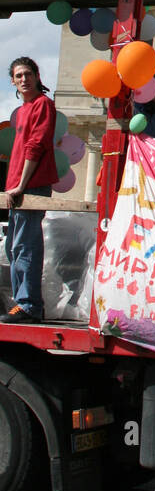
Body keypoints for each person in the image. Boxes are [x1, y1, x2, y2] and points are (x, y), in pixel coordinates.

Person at [1, 57, 57, 324]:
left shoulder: (43, 105)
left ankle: (30, 305)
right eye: (18, 76)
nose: (24, 79)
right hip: (17, 187)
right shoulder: (23, 110)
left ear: (37, 76)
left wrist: (21, 185)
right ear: (13, 81)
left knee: (25, 244)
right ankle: (23, 302)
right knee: (13, 246)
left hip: (30, 185)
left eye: (28, 74)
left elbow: (36, 146)